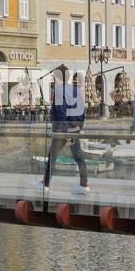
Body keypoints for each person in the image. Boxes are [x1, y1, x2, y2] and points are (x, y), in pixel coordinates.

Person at [36, 65, 90, 194]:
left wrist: (64, 132)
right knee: (79, 157)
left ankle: (46, 184)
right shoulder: (75, 90)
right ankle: (84, 184)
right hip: (75, 129)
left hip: (63, 130)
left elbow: (60, 114)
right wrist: (79, 127)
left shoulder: (59, 91)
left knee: (52, 157)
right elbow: (82, 109)